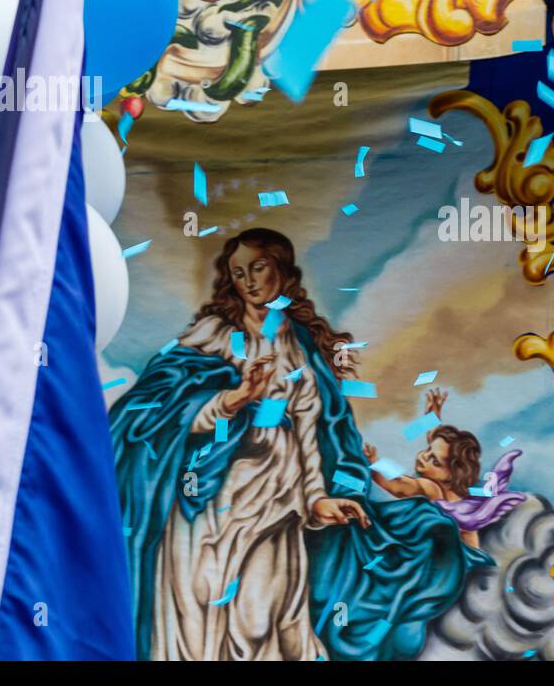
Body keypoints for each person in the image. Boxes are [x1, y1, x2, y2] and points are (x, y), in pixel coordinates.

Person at [112, 229, 485, 661]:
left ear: (282, 270)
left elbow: (313, 435)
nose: (249, 281)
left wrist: (318, 498)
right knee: (201, 616)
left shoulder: (301, 347)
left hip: (280, 508)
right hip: (211, 504)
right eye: (238, 273)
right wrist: (235, 399)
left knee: (261, 624)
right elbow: (158, 409)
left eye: (258, 267)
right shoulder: (212, 336)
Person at [365, 387, 526, 551]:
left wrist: (374, 464)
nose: (423, 456)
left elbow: (398, 486)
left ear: (451, 476)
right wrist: (432, 417)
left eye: (435, 462)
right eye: (428, 450)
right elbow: (436, 440)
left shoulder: (431, 488)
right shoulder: (455, 490)